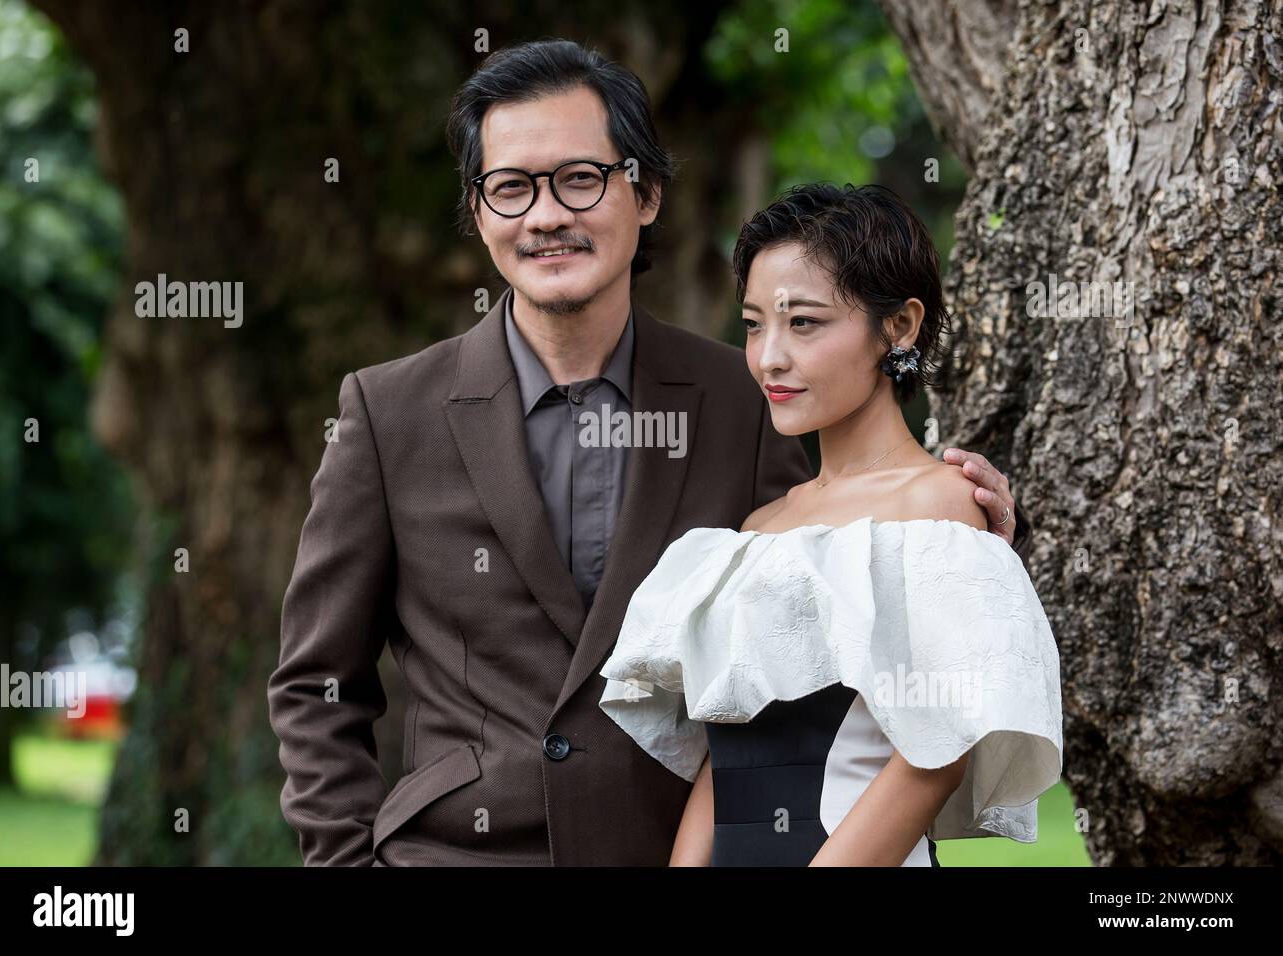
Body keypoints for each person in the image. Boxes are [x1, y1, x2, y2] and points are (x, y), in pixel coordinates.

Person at [267, 39, 1032, 867]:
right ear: (479, 212)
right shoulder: (386, 414)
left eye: (580, 178)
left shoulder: (752, 403)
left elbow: (846, 584)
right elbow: (318, 685)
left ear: (648, 193)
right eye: (511, 187)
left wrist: (971, 533)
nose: (546, 214)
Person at [598, 183, 1063, 866]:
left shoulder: (936, 504)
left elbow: (936, 755)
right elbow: (720, 756)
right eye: (755, 324)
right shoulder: (757, 529)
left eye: (804, 323)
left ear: (900, 326)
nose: (769, 357)